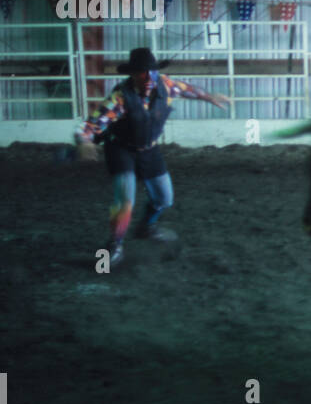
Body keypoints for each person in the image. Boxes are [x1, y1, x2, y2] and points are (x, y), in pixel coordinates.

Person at [75, 47, 229, 264]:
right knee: (125, 200)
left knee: (164, 198)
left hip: (149, 148)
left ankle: (147, 227)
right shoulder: (120, 97)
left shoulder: (166, 84)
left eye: (150, 72)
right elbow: (93, 124)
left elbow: (189, 89)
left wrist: (208, 96)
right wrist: (84, 141)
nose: (147, 78)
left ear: (156, 73)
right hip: (121, 149)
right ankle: (114, 245)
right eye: (141, 73)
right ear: (133, 75)